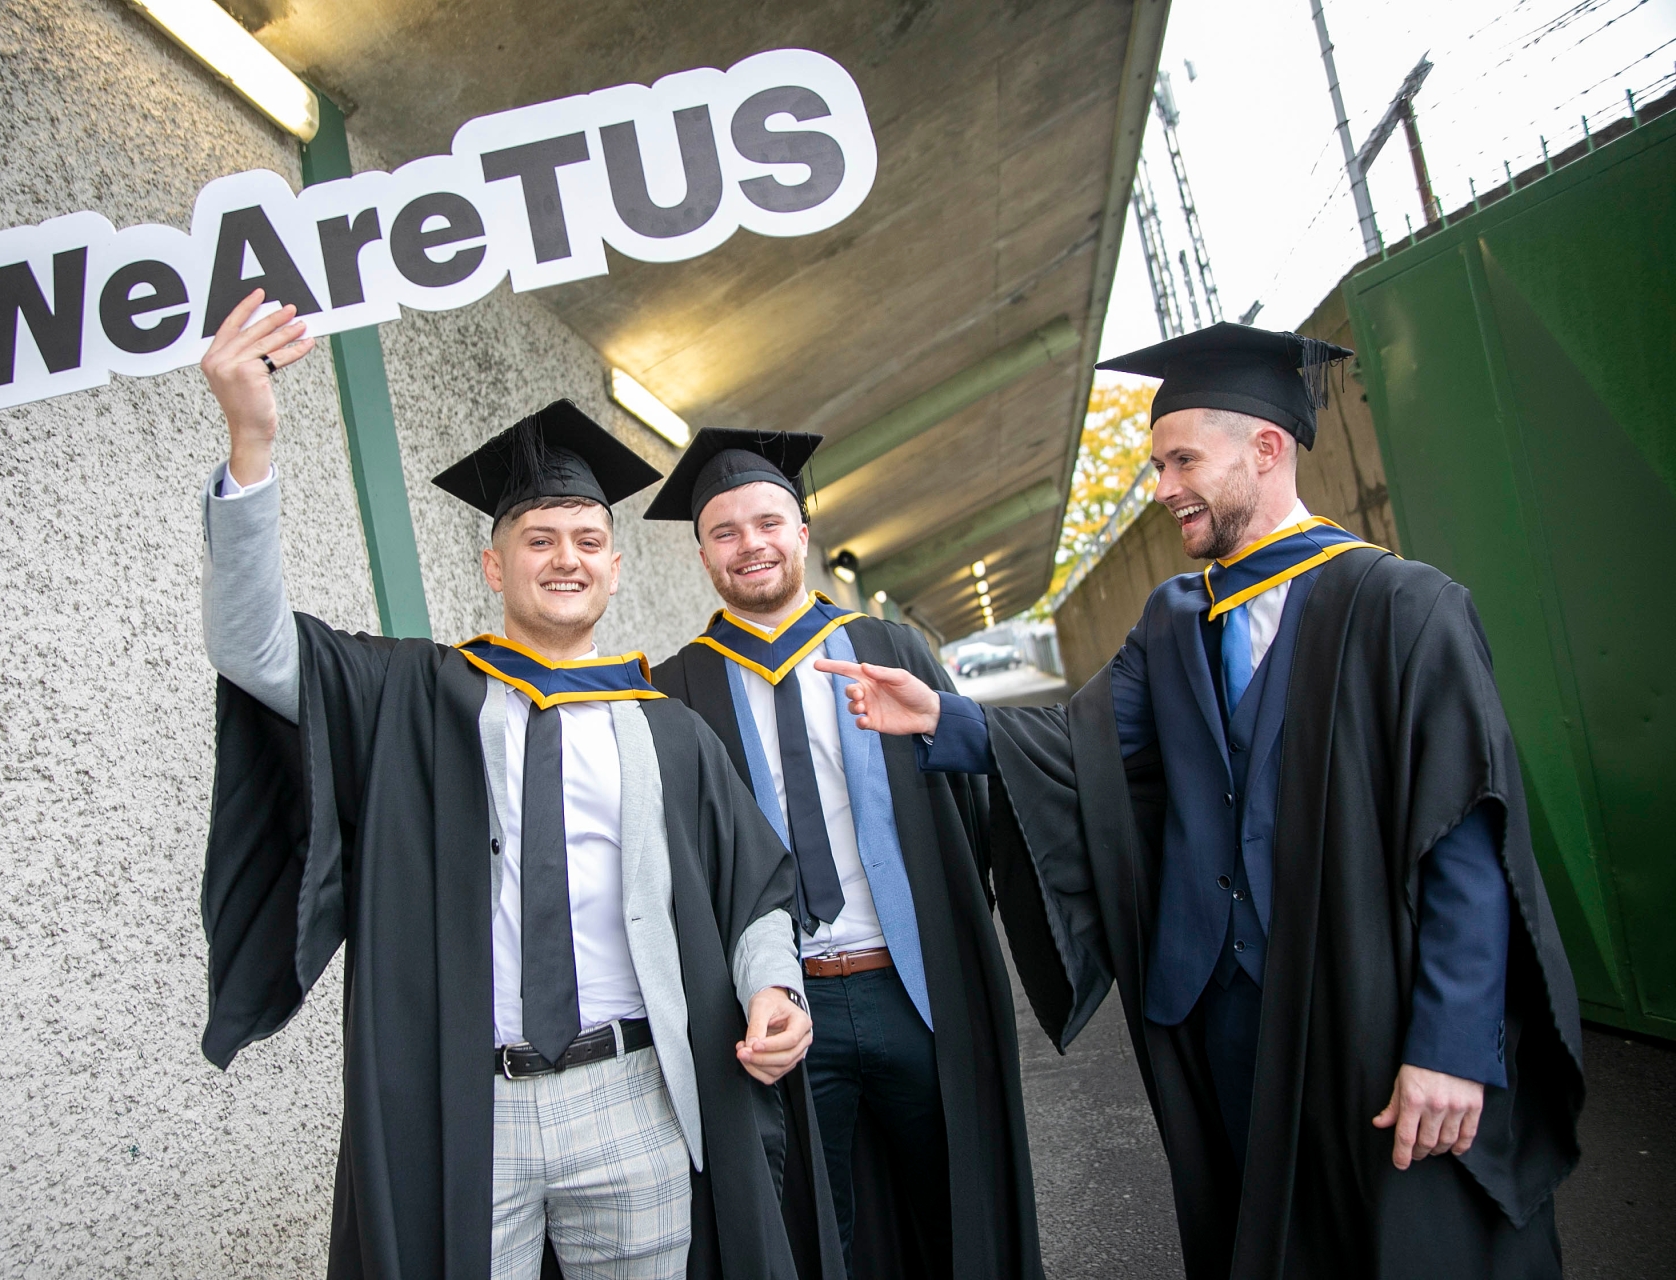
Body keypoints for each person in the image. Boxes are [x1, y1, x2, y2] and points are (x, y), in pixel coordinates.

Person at [816, 323, 1584, 1279]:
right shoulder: (1177, 621)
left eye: (1182, 460)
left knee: (1391, 1237)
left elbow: (1465, 838)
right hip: (1215, 1010)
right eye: (1155, 464)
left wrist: (1452, 1046)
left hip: (1359, 996)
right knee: (1250, 1239)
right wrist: (943, 716)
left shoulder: (1402, 611)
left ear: (1266, 448)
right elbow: (1084, 742)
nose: (1164, 485)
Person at [193, 290, 844, 1280]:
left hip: (634, 1095)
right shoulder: (414, 694)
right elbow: (252, 647)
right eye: (540, 540)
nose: (566, 558)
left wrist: (773, 984)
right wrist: (251, 439)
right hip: (472, 1105)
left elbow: (753, 886)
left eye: (587, 540)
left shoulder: (667, 727)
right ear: (494, 564)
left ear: (616, 568)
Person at [645, 430, 1045, 1280]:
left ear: (801, 533)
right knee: (812, 1235)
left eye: (767, 522)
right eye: (724, 532)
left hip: (910, 989)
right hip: (781, 1014)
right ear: (703, 555)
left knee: (954, 1214)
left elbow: (969, 813)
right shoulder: (677, 689)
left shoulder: (891, 651)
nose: (749, 544)